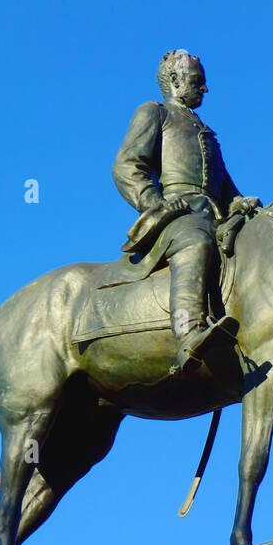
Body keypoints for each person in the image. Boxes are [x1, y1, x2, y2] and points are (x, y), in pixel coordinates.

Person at [112, 49, 260, 377]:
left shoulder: (205, 131)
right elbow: (126, 166)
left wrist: (240, 203)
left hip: (214, 217)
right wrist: (156, 203)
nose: (205, 89)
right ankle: (189, 334)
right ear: (175, 81)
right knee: (196, 242)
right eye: (198, 81)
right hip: (175, 218)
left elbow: (226, 189)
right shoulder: (155, 113)